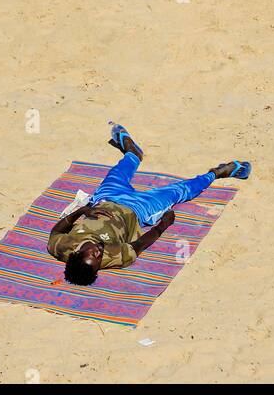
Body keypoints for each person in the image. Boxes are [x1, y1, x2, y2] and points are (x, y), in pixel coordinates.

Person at [47, 123, 251, 287]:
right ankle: (217, 173)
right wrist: (163, 225)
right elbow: (141, 244)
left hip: (106, 199)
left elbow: (57, 230)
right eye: (97, 260)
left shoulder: (61, 247)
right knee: (177, 192)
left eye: (92, 254)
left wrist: (83, 210)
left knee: (118, 172)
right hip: (138, 210)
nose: (98, 254)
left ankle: (133, 153)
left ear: (76, 253)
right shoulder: (114, 257)